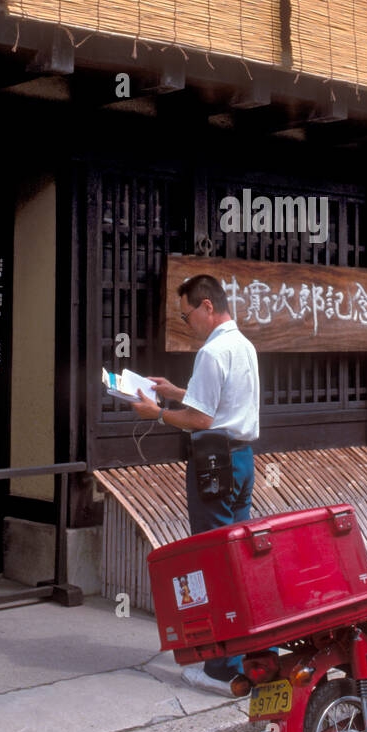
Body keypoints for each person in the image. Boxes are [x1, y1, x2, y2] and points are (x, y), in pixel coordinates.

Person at [129, 274, 260, 697]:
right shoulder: (243, 346)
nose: (189, 325)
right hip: (241, 459)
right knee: (235, 556)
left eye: (188, 316)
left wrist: (157, 413)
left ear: (207, 306)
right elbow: (218, 402)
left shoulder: (211, 351)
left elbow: (202, 420)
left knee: (213, 559)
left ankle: (221, 669)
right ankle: (237, 657)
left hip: (214, 461)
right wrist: (174, 391)